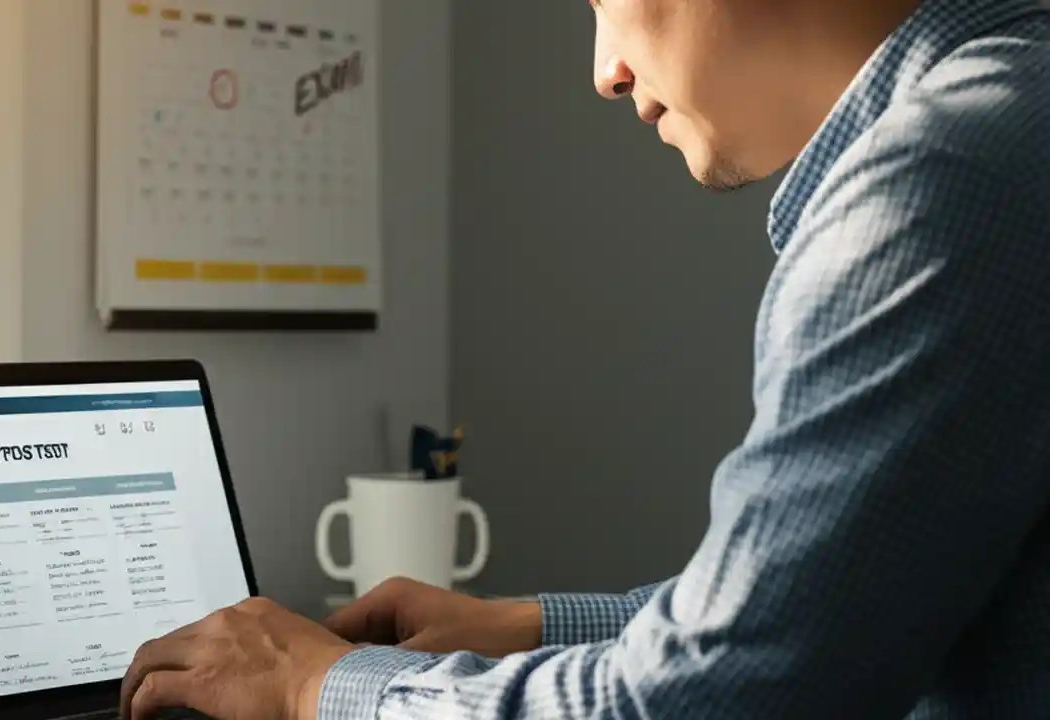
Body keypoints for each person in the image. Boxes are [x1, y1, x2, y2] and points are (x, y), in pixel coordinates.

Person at [119, 0, 1050, 716]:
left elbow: (712, 700)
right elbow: (837, 609)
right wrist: (524, 626)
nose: (604, 71)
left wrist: (317, 687)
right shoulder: (1014, 111)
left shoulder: (936, 186)